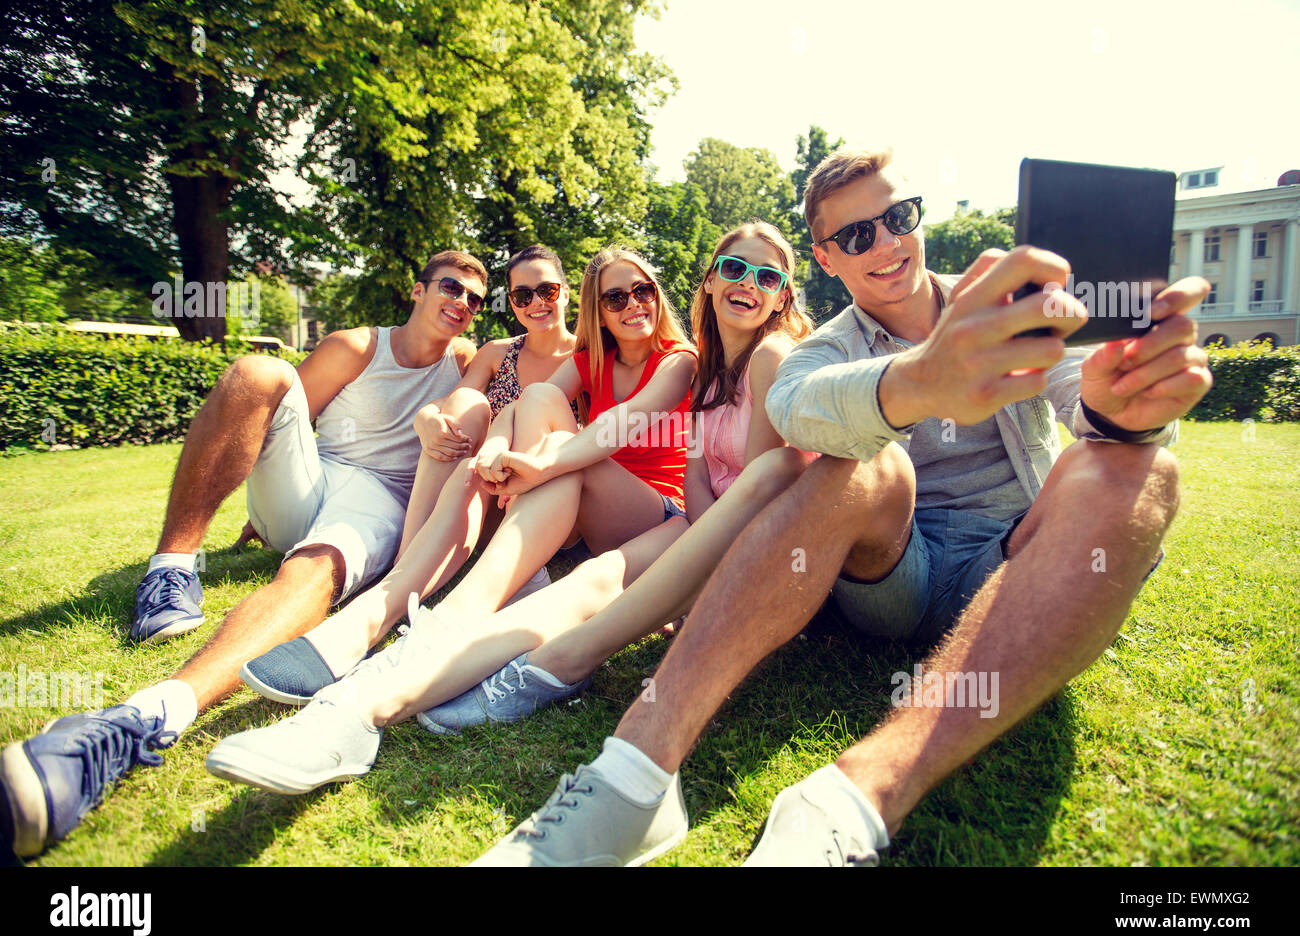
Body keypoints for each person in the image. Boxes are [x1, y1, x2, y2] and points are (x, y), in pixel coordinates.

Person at [472, 147, 1214, 867]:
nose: (886, 244)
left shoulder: (1006, 310)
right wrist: (921, 379)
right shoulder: (820, 349)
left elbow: (1091, 396)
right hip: (898, 573)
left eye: (900, 217)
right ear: (826, 257)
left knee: (1141, 467)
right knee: (861, 460)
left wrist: (1122, 406)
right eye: (857, 235)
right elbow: (798, 411)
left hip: (1016, 560)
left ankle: (855, 799)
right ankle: (634, 775)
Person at [203, 231, 816, 795]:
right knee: (548, 429)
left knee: (571, 500)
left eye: (768, 277)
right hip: (670, 517)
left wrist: (549, 464)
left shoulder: (720, 359)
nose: (632, 303)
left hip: (691, 526)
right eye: (735, 268)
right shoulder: (712, 366)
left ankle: (394, 665)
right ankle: (406, 649)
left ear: (784, 291)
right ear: (709, 279)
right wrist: (498, 447)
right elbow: (695, 470)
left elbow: (737, 486)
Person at [0, 250, 486, 859]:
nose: (463, 303)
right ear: (417, 290)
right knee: (259, 372)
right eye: (451, 287)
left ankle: (144, 717)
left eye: (475, 298)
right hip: (311, 480)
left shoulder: (470, 364)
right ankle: (170, 571)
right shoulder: (356, 346)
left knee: (317, 569)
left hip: (377, 504)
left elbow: (545, 356)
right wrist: (264, 514)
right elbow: (280, 422)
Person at [237, 245, 579, 704]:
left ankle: (391, 596)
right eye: (522, 295)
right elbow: (458, 401)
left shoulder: (591, 351)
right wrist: (428, 420)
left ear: (568, 293)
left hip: (549, 499)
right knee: (466, 410)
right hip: (486, 485)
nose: (536, 302)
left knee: (524, 408)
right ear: (512, 302)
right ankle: (403, 578)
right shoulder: (498, 352)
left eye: (547, 290)